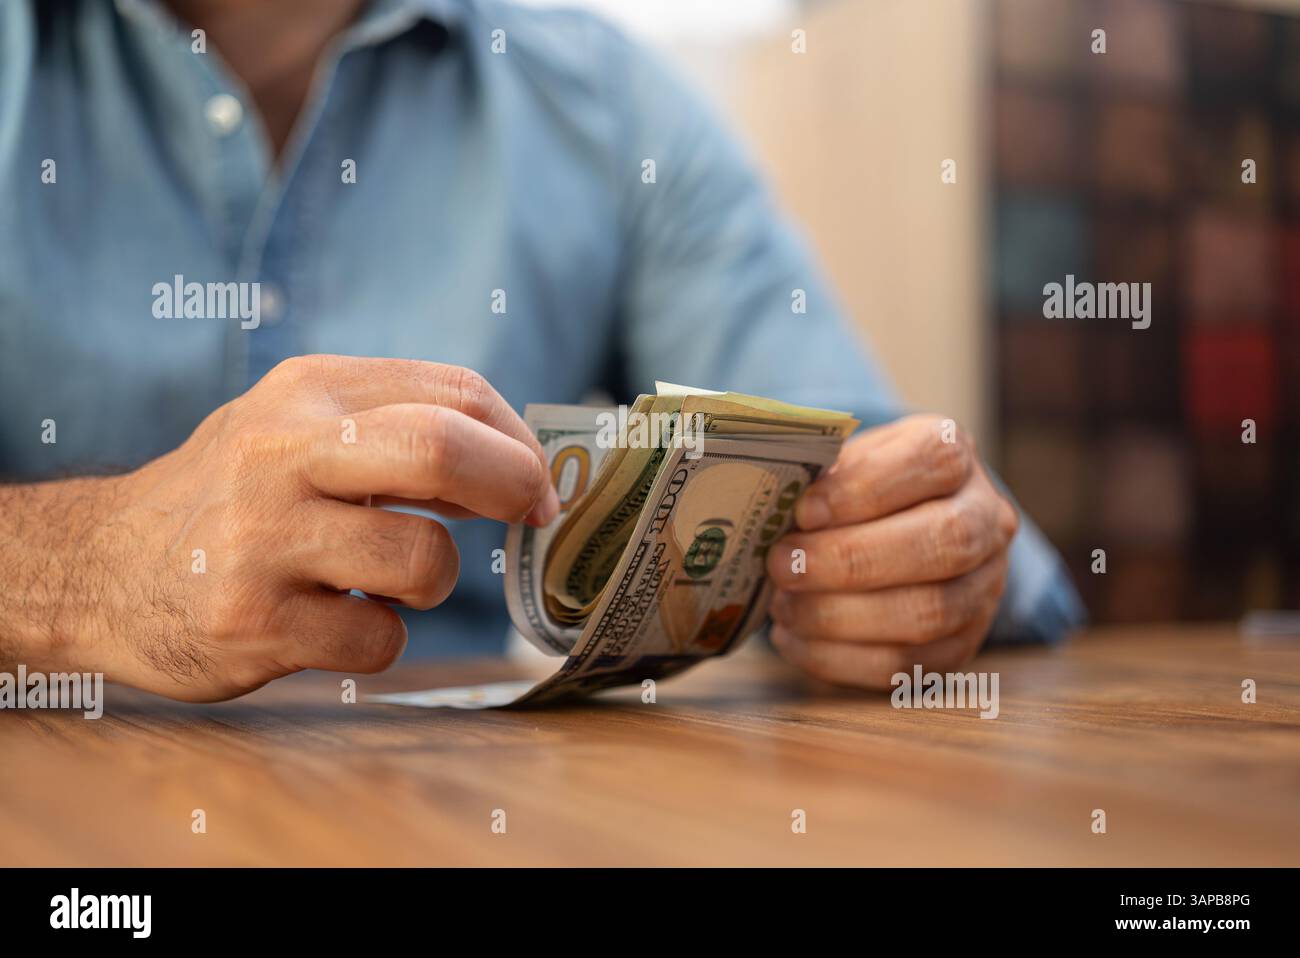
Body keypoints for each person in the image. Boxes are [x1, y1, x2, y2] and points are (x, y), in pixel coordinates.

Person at [0, 0, 1083, 702]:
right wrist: (81, 569)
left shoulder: (614, 110)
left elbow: (891, 480)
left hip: (447, 816)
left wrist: (927, 559)